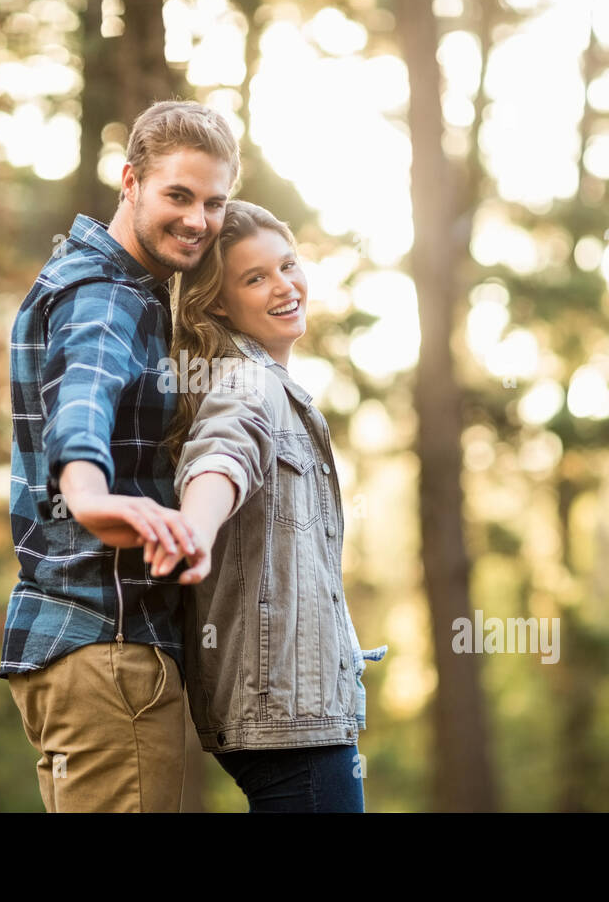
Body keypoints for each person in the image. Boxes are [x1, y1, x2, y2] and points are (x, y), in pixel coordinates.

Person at [0, 100, 239, 812]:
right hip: (109, 642)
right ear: (130, 182)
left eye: (214, 202)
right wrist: (89, 492)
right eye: (178, 195)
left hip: (76, 649)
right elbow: (86, 394)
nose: (198, 219)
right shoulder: (108, 295)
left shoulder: (93, 280)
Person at [150, 199, 387, 812]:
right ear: (219, 303)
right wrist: (195, 530)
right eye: (256, 278)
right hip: (289, 717)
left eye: (288, 266)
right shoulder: (246, 384)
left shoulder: (273, 385)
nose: (284, 287)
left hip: (296, 708)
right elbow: (223, 453)